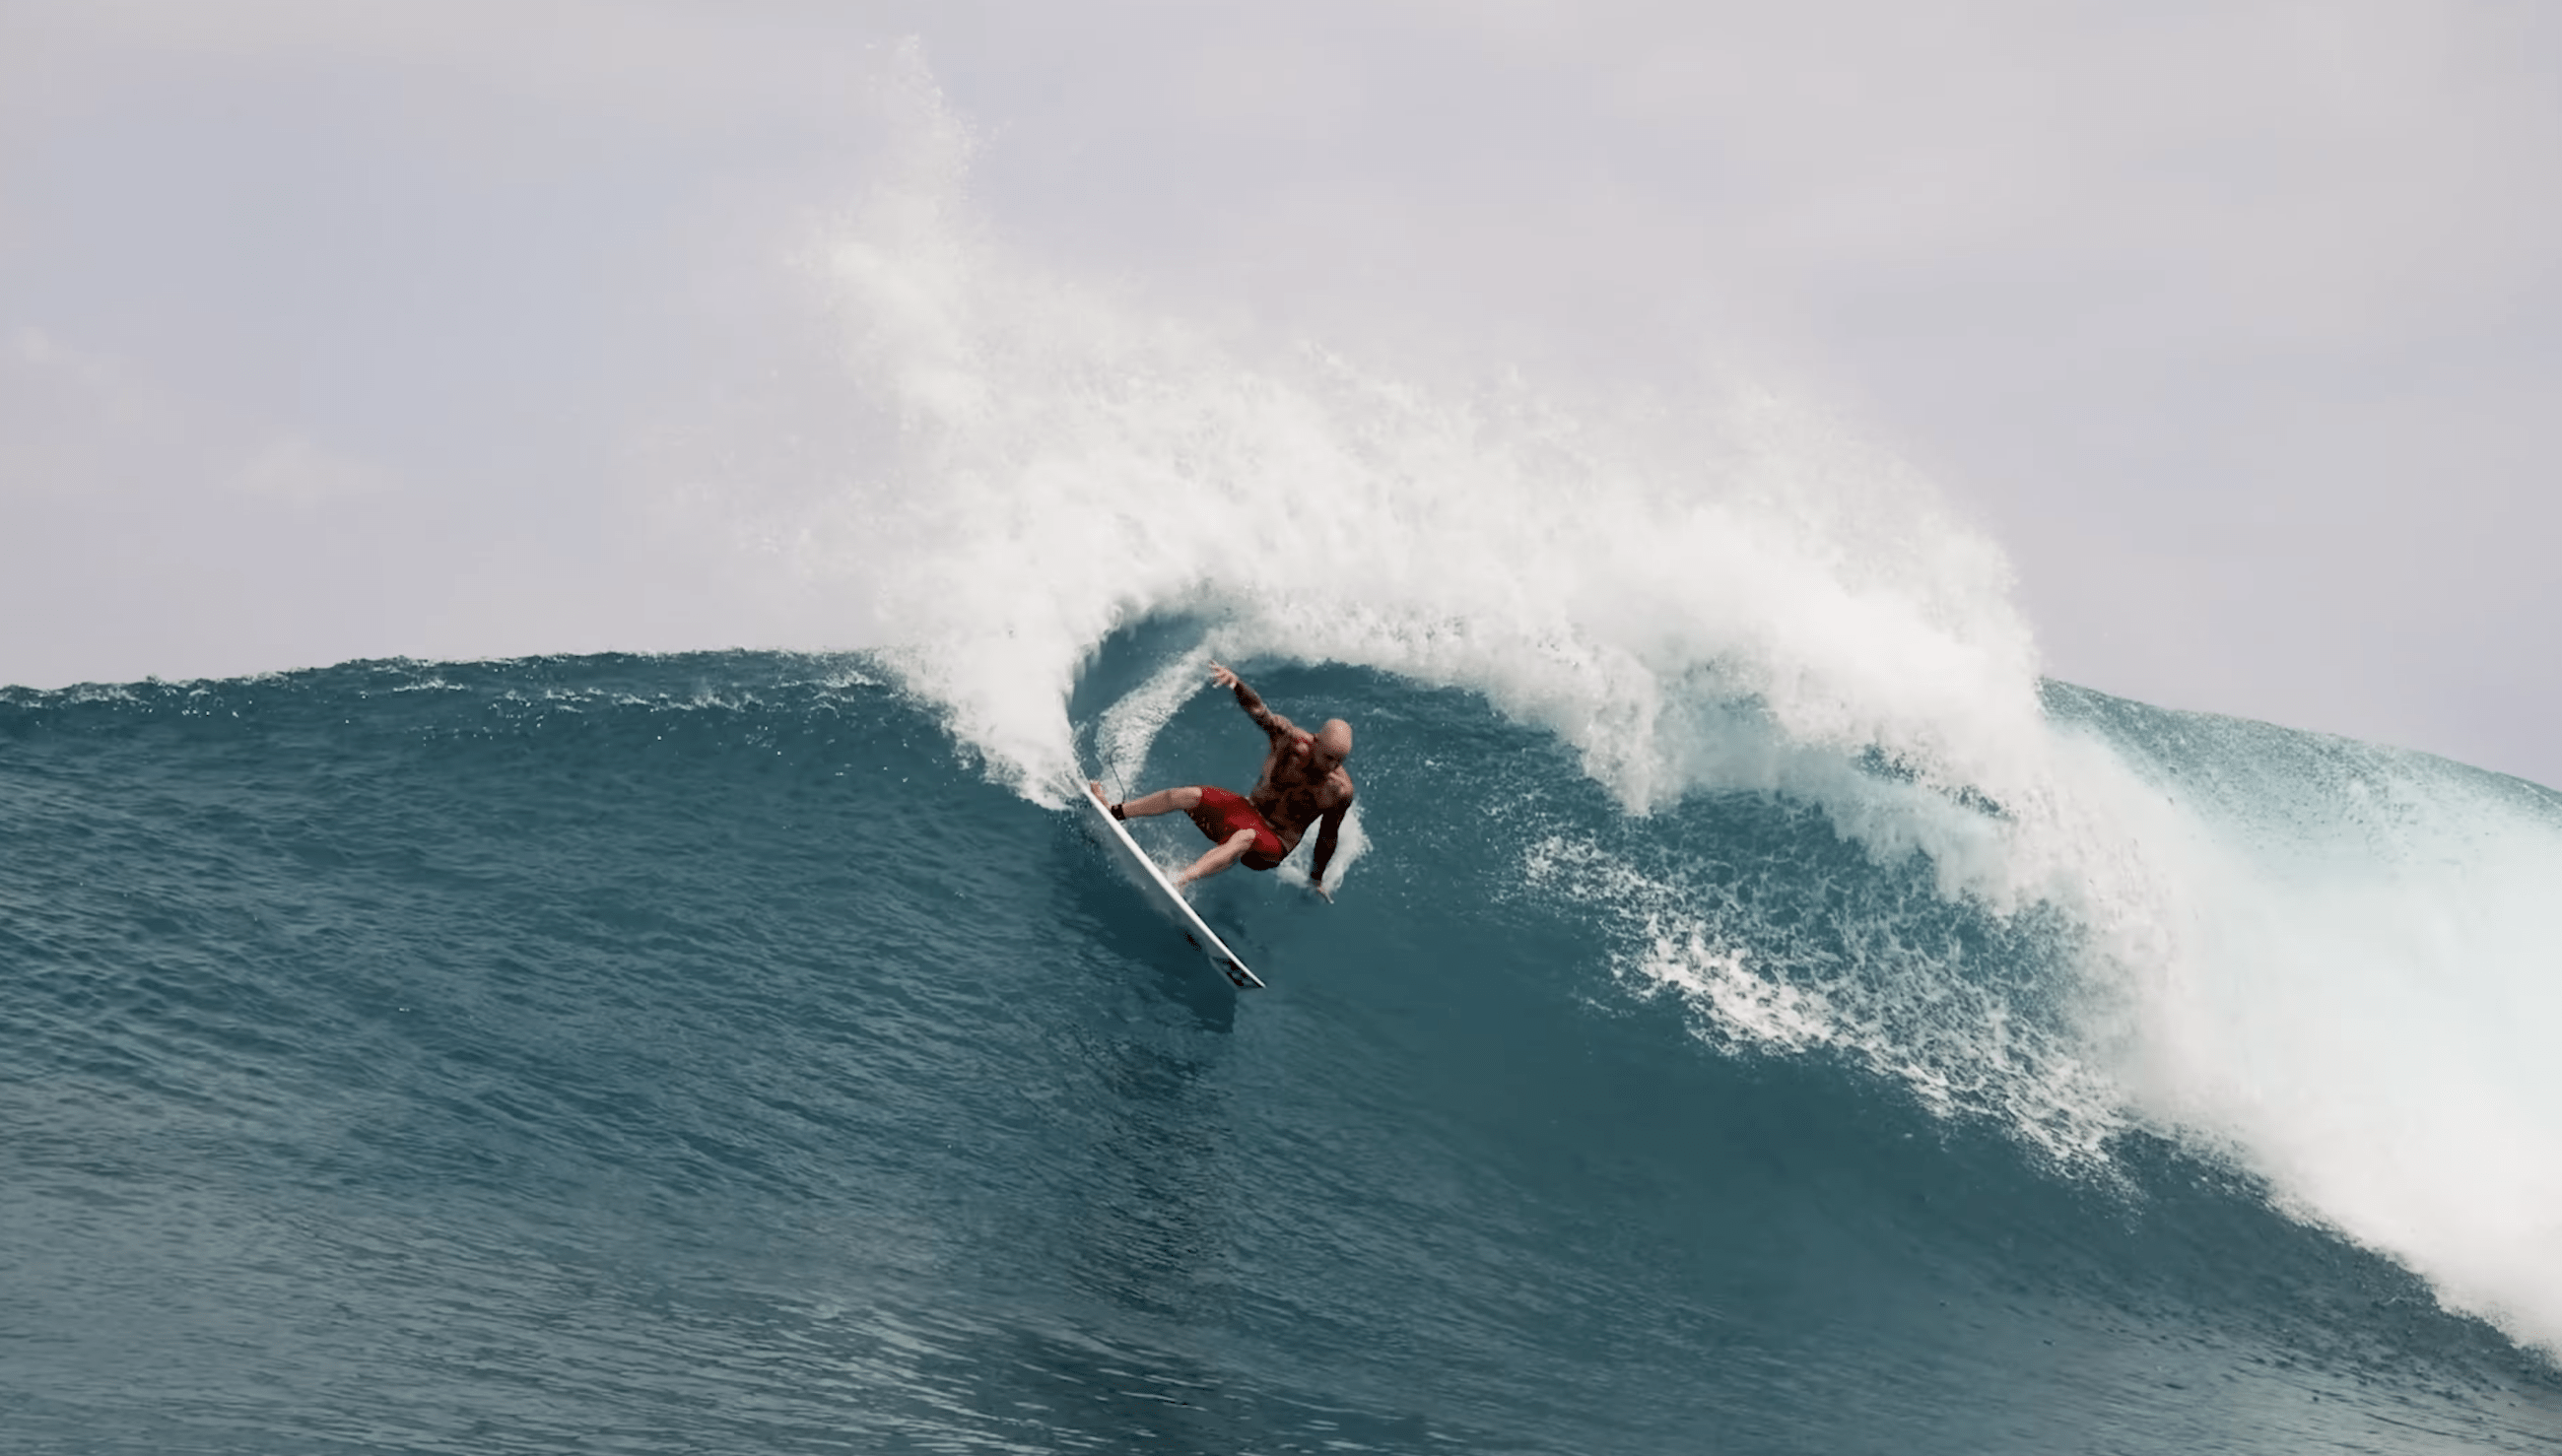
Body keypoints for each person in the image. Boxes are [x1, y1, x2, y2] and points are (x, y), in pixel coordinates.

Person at [1096, 662, 1356, 897]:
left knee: (1245, 836)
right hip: (1247, 812)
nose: (1334, 767)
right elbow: (1260, 712)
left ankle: (1178, 879)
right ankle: (1114, 811)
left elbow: (1327, 837)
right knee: (1186, 795)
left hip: (1273, 845)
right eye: (1329, 757)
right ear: (1315, 741)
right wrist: (1237, 684)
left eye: (1340, 761)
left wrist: (1315, 880)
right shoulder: (1289, 740)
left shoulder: (1338, 791)